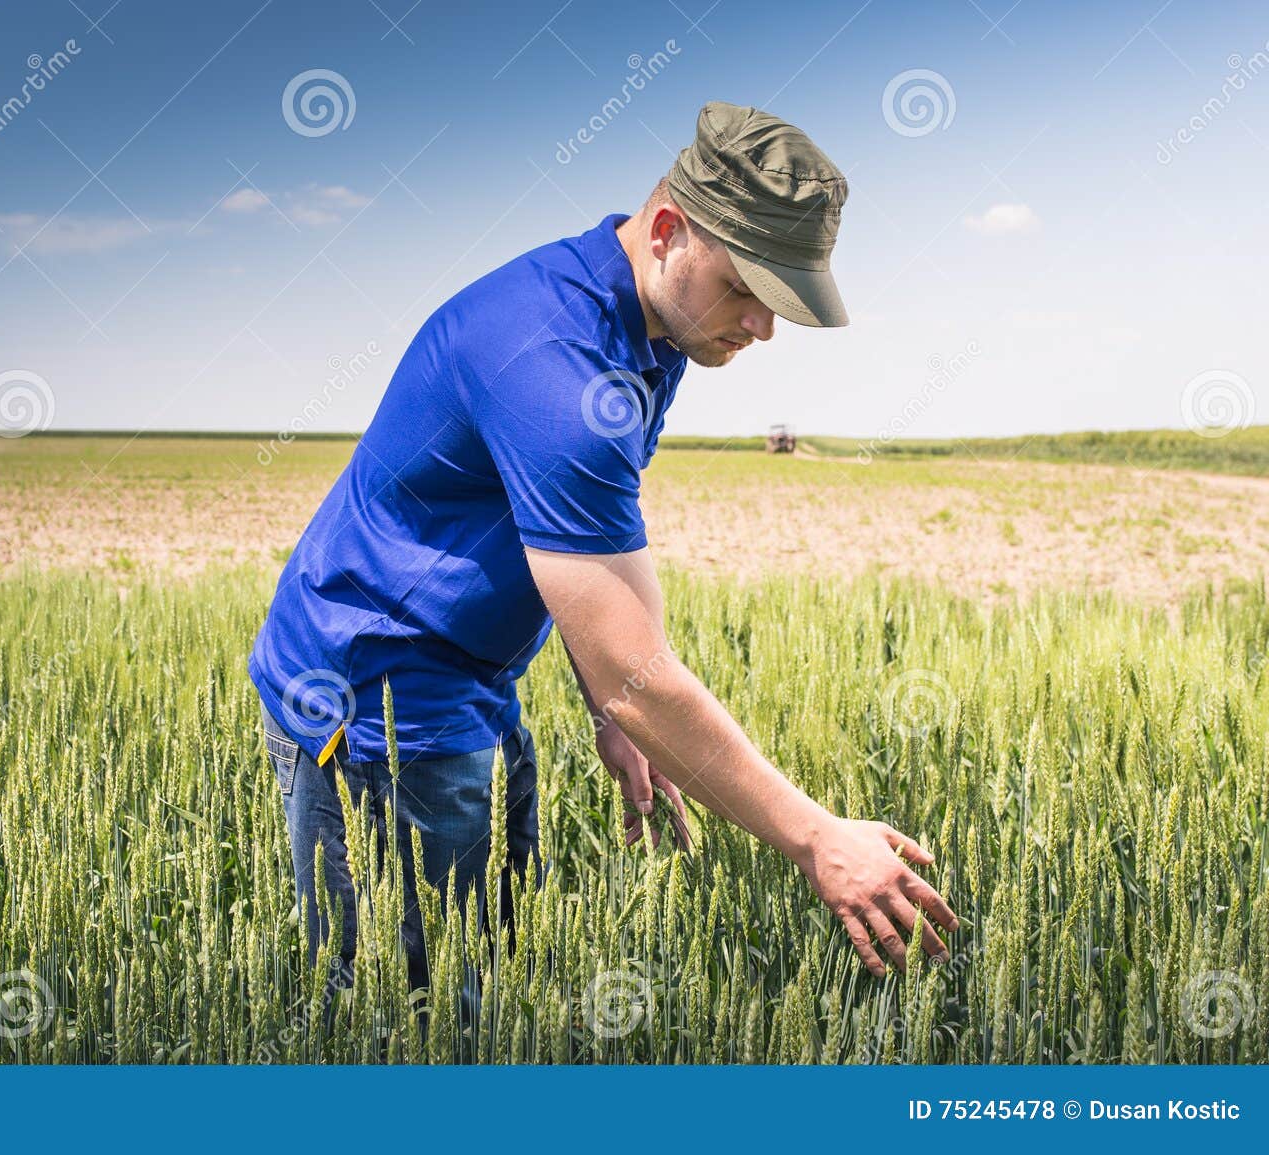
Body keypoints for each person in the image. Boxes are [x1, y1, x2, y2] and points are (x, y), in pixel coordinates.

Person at [249, 102, 959, 1025]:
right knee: (402, 1007)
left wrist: (616, 714)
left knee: (490, 969)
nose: (764, 327)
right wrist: (818, 838)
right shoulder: (565, 372)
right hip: (378, 694)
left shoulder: (652, 326)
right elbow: (637, 670)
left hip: (471, 676)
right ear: (669, 232)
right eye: (751, 289)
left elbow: (584, 581)